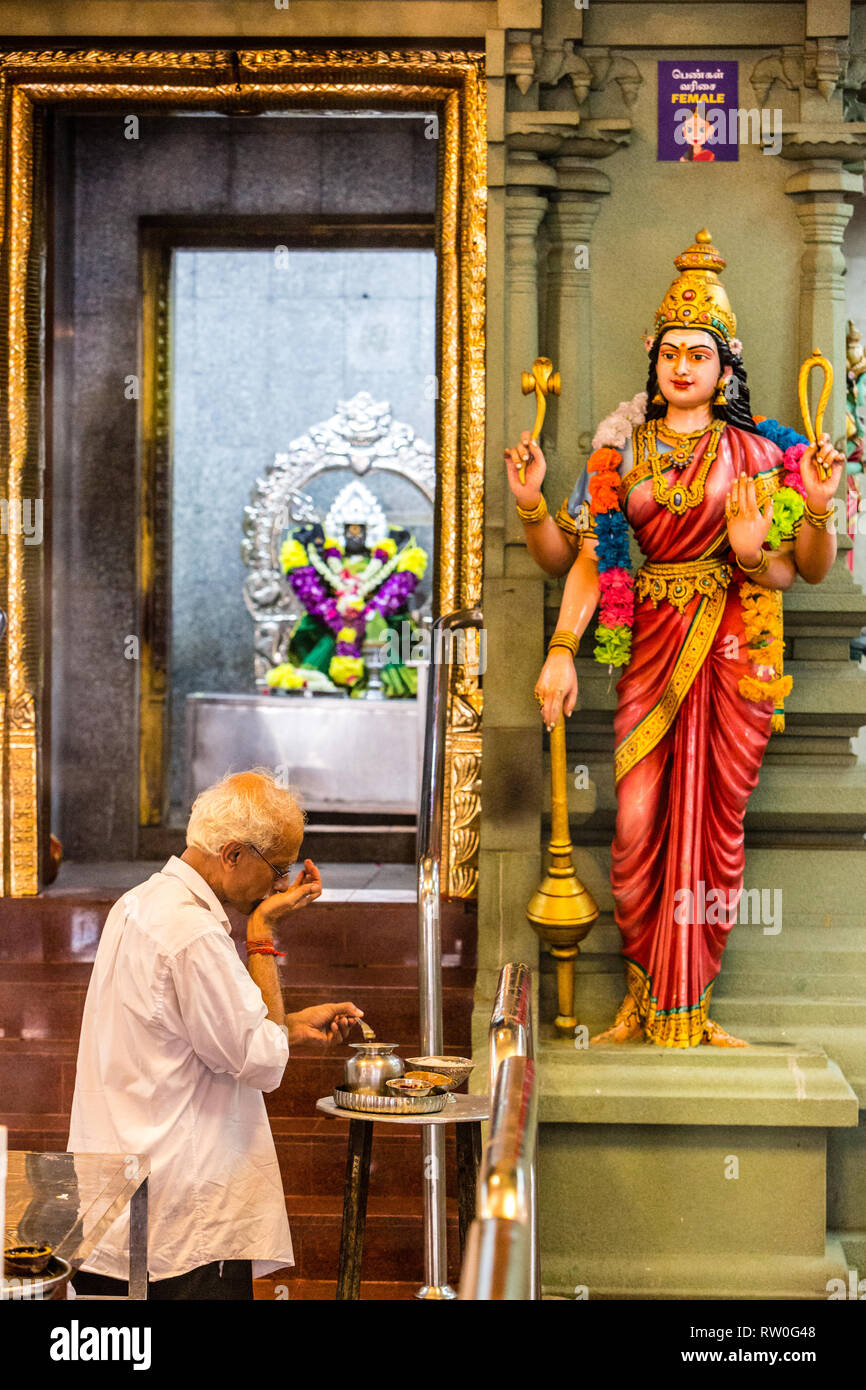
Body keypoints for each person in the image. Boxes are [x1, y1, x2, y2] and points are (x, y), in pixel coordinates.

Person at [505, 228, 845, 1048]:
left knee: (715, 829)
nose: (683, 366)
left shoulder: (761, 455)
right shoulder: (619, 459)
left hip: (731, 657)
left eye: (700, 353)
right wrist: (531, 518)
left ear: (725, 370)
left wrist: (818, 509)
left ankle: (692, 1007)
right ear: (653, 364)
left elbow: (802, 573)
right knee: (636, 824)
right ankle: (639, 1000)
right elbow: (579, 560)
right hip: (649, 648)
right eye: (670, 353)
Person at [69, 768, 363, 1298]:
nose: (281, 884)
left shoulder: (137, 903)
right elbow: (262, 1062)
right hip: (181, 1217)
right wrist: (263, 933)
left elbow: (191, 1036)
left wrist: (288, 1026)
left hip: (122, 1200)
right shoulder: (193, 931)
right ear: (232, 854)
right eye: (278, 868)